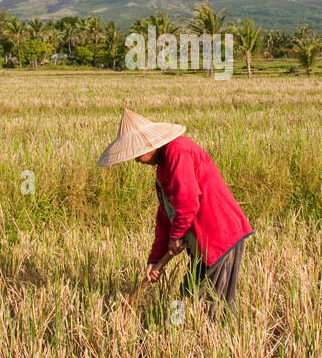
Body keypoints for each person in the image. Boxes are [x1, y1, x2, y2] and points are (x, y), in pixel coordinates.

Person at [97, 109, 252, 309]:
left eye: (137, 155)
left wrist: (177, 236)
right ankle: (176, 332)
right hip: (200, 242)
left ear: (148, 145)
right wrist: (154, 260)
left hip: (219, 236)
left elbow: (188, 201)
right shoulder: (162, 170)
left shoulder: (178, 151)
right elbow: (165, 217)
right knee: (185, 295)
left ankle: (215, 336)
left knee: (214, 303)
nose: (136, 161)